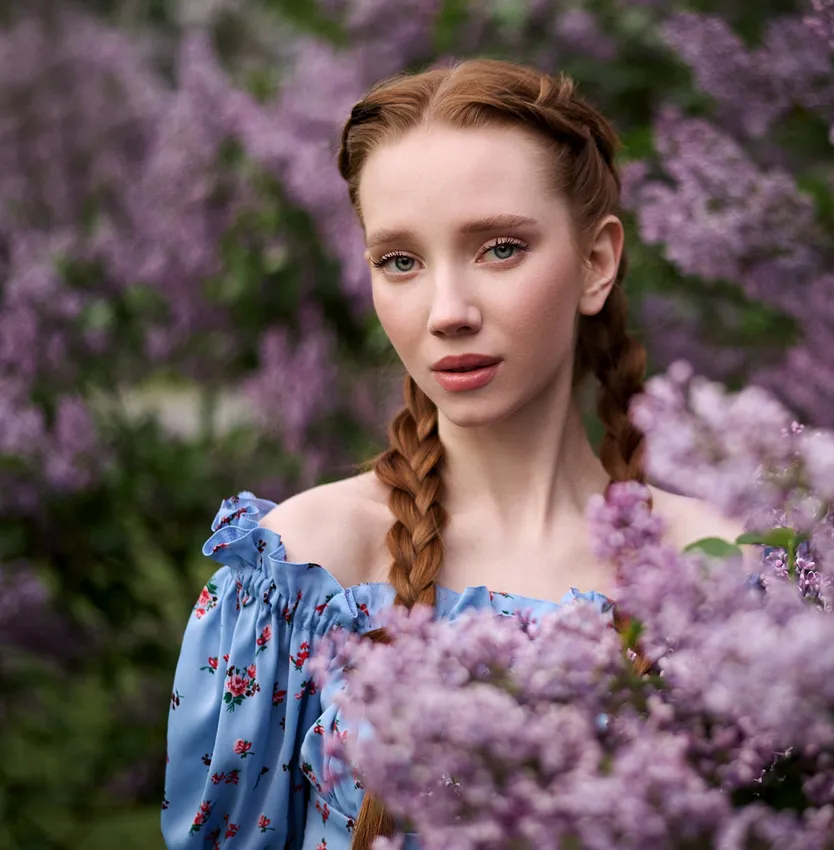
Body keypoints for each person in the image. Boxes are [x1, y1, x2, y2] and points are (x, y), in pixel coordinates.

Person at [162, 58, 747, 850]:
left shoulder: (721, 577)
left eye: (500, 248)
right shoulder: (304, 576)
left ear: (596, 263)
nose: (447, 312)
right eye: (399, 261)